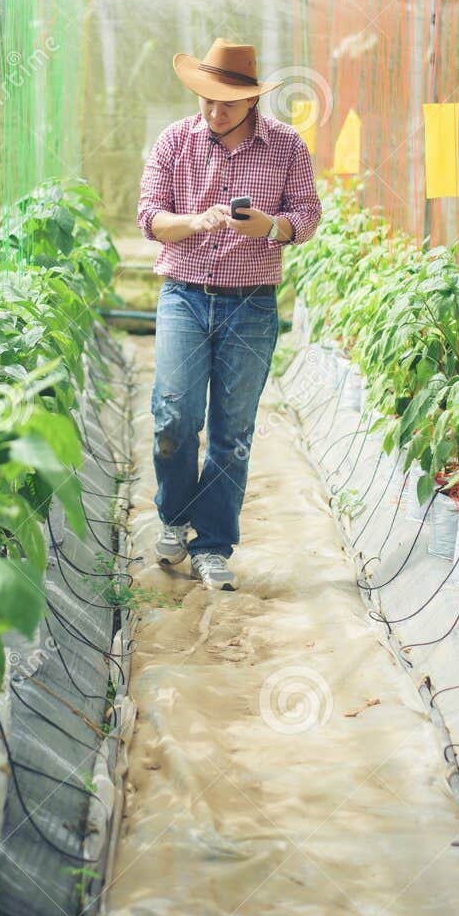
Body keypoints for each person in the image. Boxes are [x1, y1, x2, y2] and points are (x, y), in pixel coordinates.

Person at [136, 39, 322, 591]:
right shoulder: (175, 141)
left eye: (226, 103)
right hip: (184, 297)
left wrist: (266, 225)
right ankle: (173, 516)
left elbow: (306, 219)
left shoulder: (288, 148)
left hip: (251, 305)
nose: (214, 112)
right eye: (206, 101)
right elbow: (150, 216)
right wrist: (196, 221)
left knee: (231, 430)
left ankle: (213, 545)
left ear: (251, 102)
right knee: (175, 417)